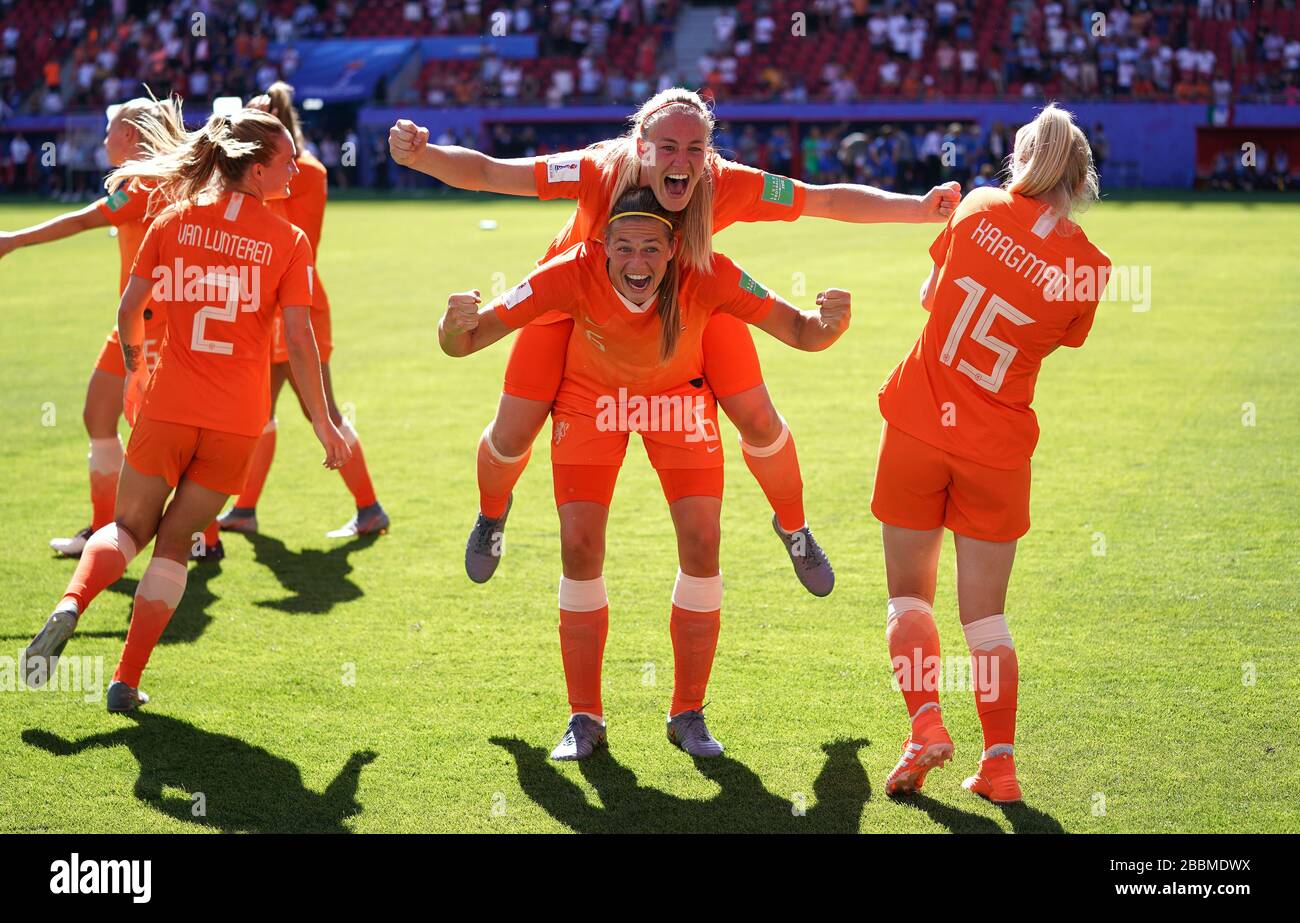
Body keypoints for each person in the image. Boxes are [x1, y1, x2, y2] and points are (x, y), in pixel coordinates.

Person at [389, 88, 959, 596]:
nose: (682, 161)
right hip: (575, 302)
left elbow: (823, 199)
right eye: (667, 147)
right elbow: (494, 173)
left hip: (689, 301)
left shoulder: (727, 183)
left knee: (759, 418)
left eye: (695, 149)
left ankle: (794, 526)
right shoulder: (597, 170)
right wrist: (423, 156)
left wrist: (916, 209)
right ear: (641, 146)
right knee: (512, 433)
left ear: (709, 152)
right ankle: (493, 515)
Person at [438, 188, 851, 760]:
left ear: (675, 247)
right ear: (602, 243)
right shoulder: (568, 271)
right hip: (591, 398)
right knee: (579, 546)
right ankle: (584, 716)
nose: (638, 262)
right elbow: (466, 340)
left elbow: (804, 332)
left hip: (676, 397)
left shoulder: (709, 272)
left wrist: (831, 323)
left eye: (652, 248)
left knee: (704, 542)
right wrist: (451, 324)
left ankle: (688, 713)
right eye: (624, 246)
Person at [23, 108, 350, 712]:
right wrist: (326, 423)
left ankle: (71, 603)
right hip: (236, 421)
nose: (293, 174)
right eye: (283, 165)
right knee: (175, 544)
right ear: (254, 171)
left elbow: (128, 312)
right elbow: (300, 343)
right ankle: (125, 680)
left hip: (169, 401)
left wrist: (138, 368)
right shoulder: (288, 239)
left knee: (126, 529)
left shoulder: (172, 218)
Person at [872, 104, 1111, 803]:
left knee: (909, 595)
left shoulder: (976, 204)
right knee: (986, 619)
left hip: (917, 424)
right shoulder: (1090, 267)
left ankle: (924, 725)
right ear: (1082, 175)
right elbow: (1061, 337)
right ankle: (999, 766)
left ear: (1022, 158)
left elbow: (931, 294)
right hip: (997, 446)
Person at [0, 95, 190, 559]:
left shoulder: (141, 183)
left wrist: (13, 240)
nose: (105, 140)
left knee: (162, 436)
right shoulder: (164, 180)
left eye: (110, 131)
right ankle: (106, 528)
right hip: (138, 325)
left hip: (155, 330)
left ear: (128, 134)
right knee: (100, 417)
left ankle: (186, 534)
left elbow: (85, 219)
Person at [216, 82, 389, 540]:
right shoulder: (265, 178)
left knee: (323, 411)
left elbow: (295, 237)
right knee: (260, 414)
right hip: (263, 307)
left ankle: (370, 507)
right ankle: (246, 509)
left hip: (298, 307)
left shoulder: (306, 172)